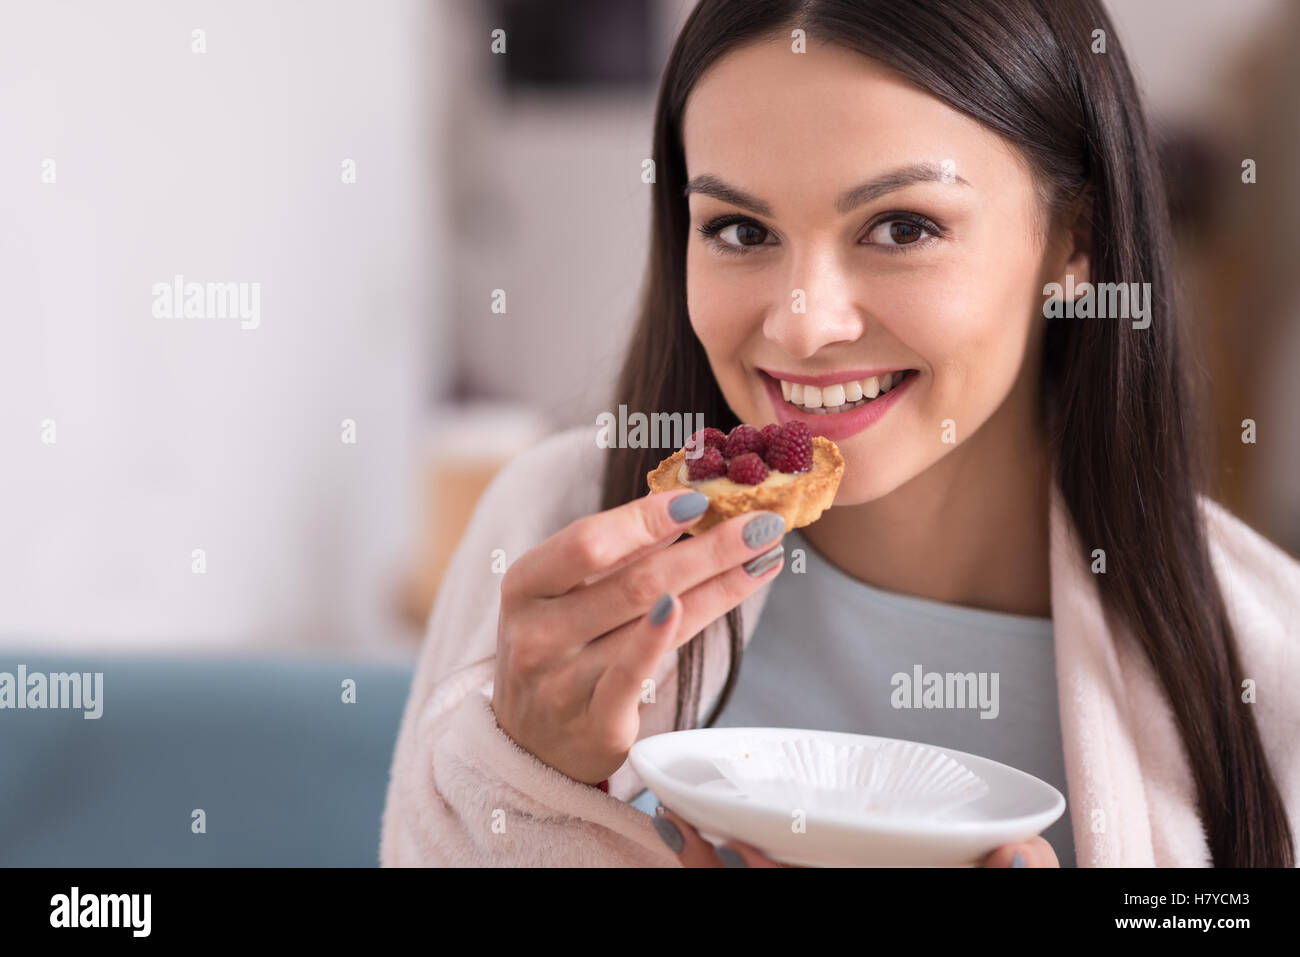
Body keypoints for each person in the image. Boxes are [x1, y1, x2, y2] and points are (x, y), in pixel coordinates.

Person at [380, 0, 1300, 868]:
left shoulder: (1272, 658)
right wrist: (531, 777)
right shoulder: (554, 528)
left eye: (901, 227)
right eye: (740, 229)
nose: (804, 324)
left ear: (1076, 244)